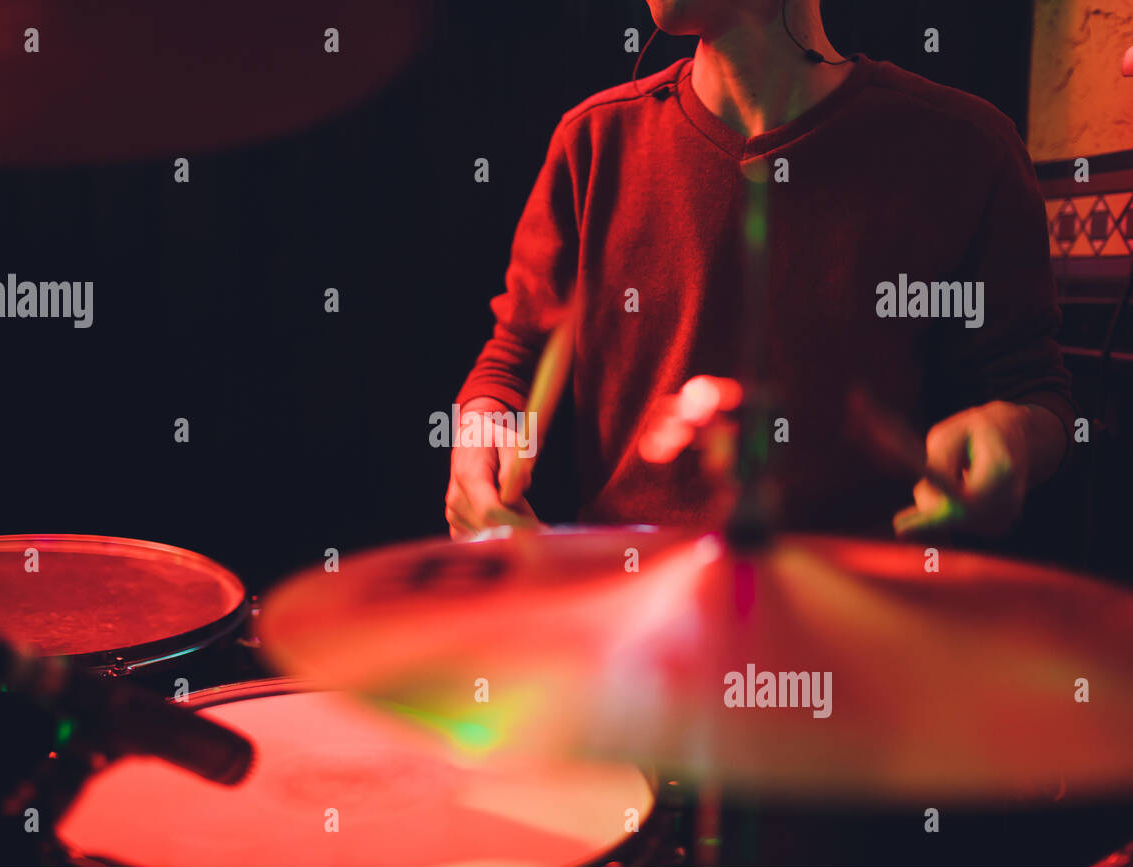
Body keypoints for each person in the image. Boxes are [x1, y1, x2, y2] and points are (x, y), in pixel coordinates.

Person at [445, 0, 1074, 542]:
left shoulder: (968, 148)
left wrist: (1012, 432)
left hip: (857, 636)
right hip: (631, 635)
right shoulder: (592, 142)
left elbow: (1038, 395)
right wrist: (481, 427)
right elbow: (514, 357)